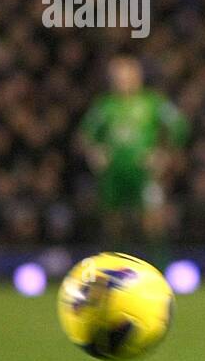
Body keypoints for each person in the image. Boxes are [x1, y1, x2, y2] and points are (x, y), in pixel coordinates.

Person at [79, 55, 188, 254]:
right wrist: (95, 152)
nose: (122, 80)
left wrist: (163, 153)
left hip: (145, 173)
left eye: (127, 75)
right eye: (117, 76)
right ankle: (115, 266)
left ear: (138, 76)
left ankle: (159, 265)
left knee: (152, 221)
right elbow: (85, 134)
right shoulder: (105, 105)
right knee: (113, 224)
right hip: (113, 173)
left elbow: (179, 126)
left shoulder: (153, 102)